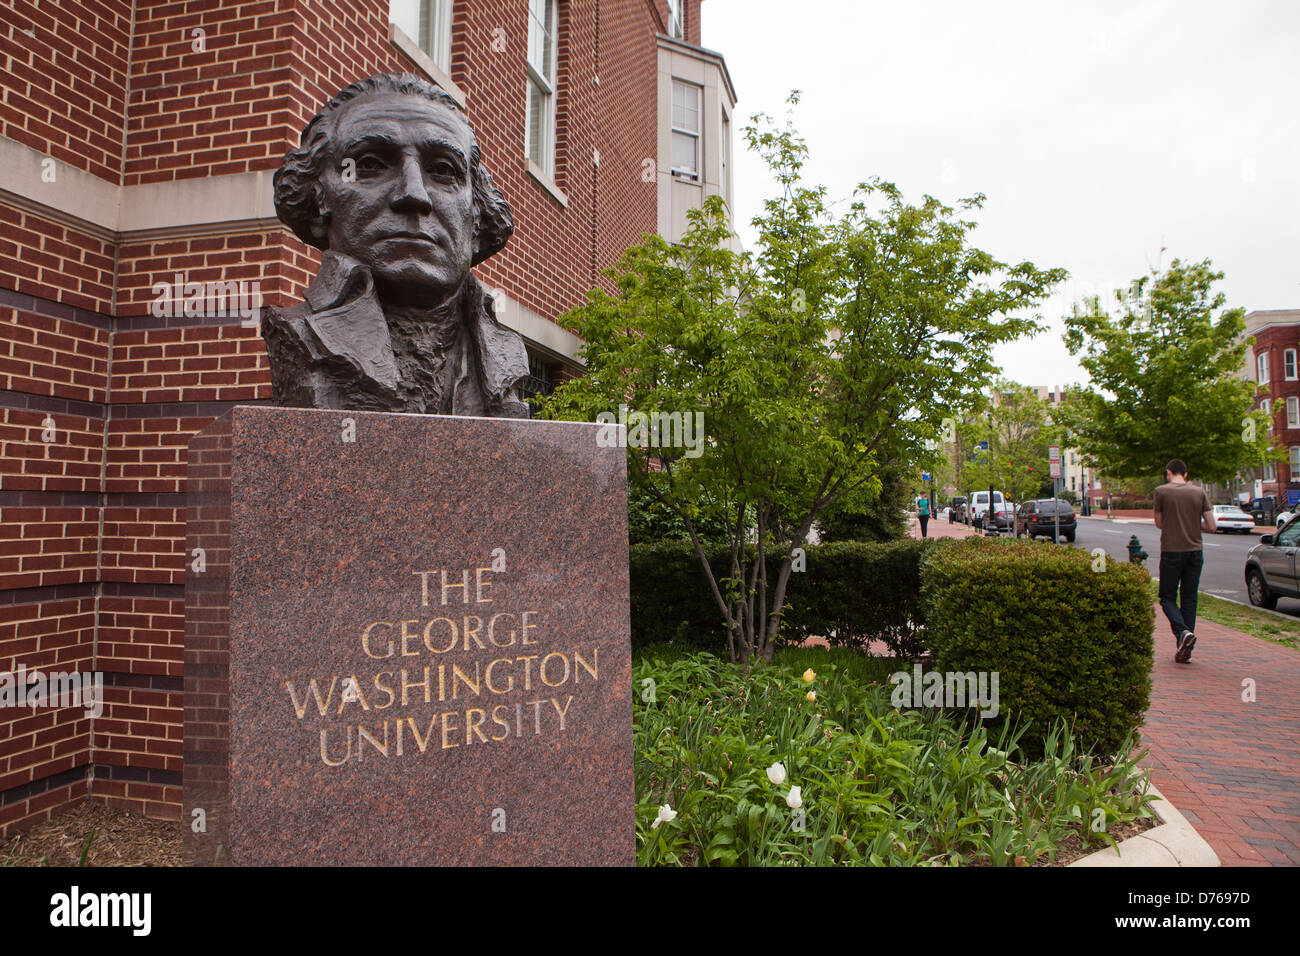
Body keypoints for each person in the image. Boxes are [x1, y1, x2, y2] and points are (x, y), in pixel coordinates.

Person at [263, 73, 530, 417]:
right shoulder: (298, 336)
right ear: (319, 199)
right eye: (371, 164)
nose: (413, 193)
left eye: (444, 170)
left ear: (477, 215)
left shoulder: (505, 353)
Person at [1152, 459, 1216, 663]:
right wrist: (1194, 526)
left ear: (1168, 472)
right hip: (1195, 552)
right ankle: (1186, 646)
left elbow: (1159, 523)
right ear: (1186, 474)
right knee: (1189, 598)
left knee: (1167, 597)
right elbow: (1212, 526)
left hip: (1171, 550)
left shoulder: (1161, 492)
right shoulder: (1199, 492)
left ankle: (1182, 633)